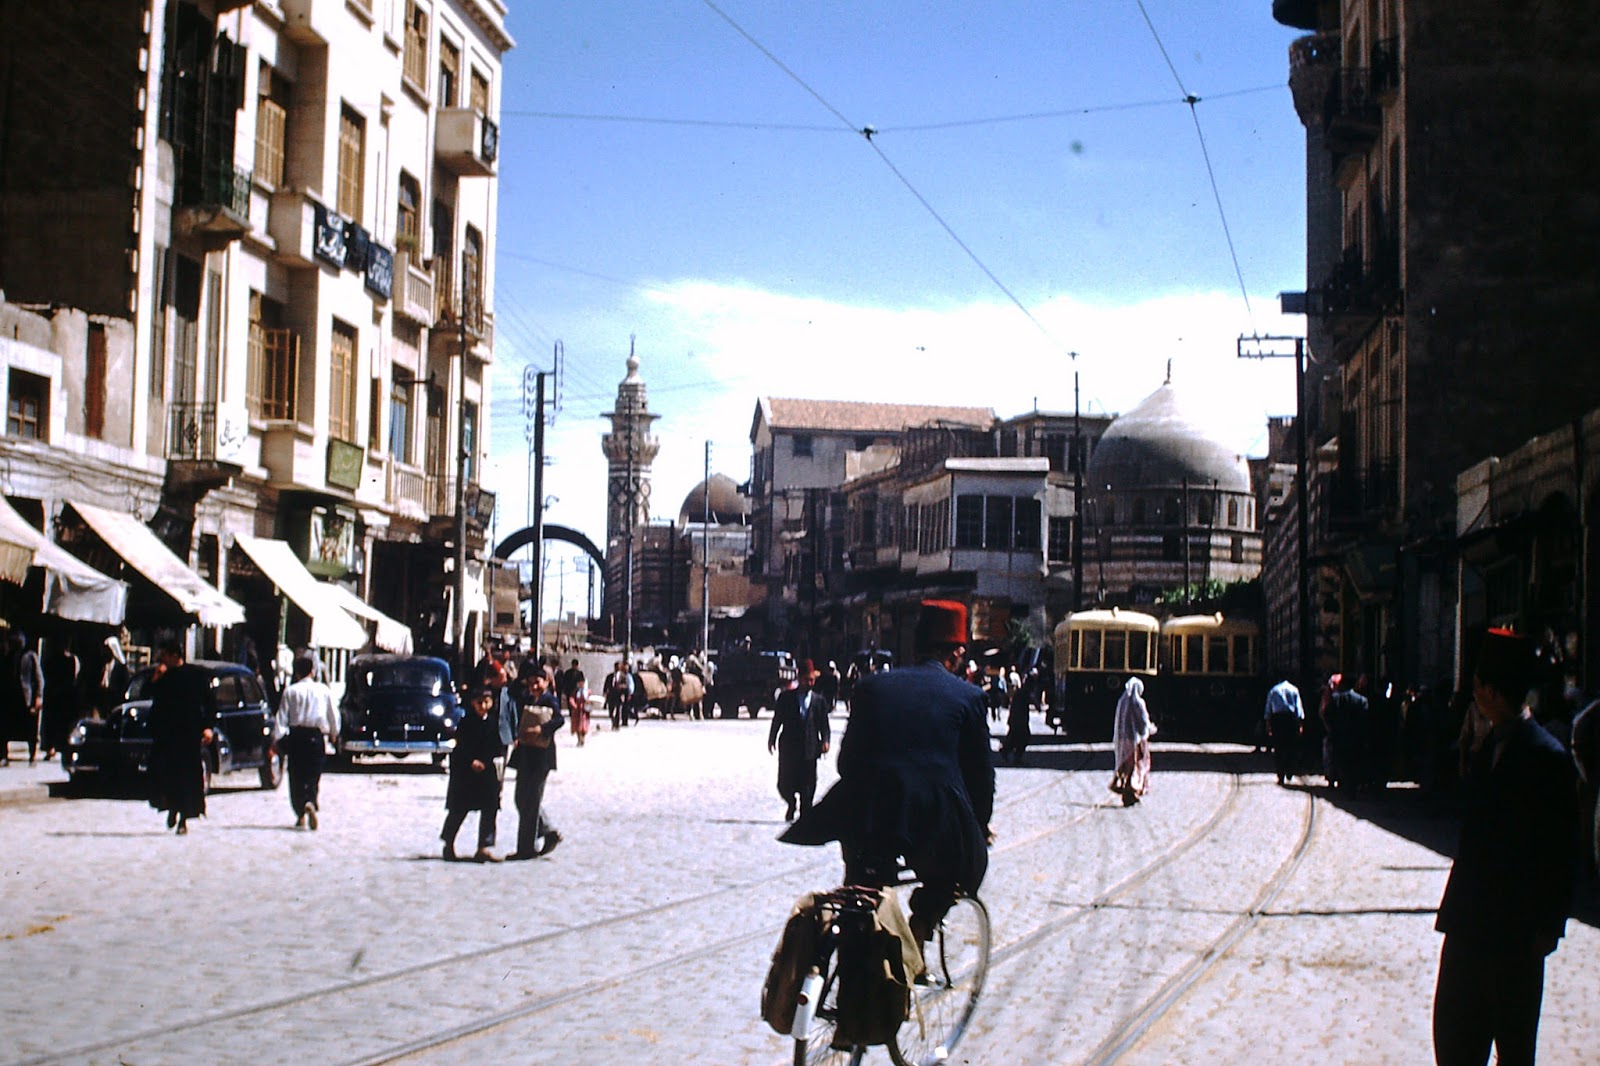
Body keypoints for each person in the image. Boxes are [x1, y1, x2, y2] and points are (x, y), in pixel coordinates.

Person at [783, 599, 994, 948]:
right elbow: (981, 779)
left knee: (863, 885)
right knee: (966, 870)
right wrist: (979, 825)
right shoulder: (968, 697)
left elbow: (845, 763)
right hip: (933, 815)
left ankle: (854, 942)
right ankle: (920, 927)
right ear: (957, 653)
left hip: (866, 810)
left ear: (915, 645)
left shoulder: (871, 687)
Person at [1433, 628, 1578, 1066]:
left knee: (1513, 1052)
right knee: (1456, 1044)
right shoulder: (1488, 746)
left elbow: (1561, 850)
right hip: (1467, 929)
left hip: (1513, 939)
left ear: (1495, 690)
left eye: (1479, 685)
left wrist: (1548, 929)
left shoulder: (1547, 758)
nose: (1474, 693)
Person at [145, 642, 213, 835]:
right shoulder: (163, 677)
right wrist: (156, 678)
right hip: (166, 734)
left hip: (188, 733)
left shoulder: (196, 675)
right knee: (166, 774)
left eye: (165, 655)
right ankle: (171, 808)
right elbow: (148, 697)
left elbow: (209, 702)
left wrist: (208, 727)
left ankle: (184, 816)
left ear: (175, 655)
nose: (162, 659)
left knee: (186, 776)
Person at [440, 686, 507, 862]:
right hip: (466, 774)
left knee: (490, 808)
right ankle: (448, 844)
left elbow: (497, 747)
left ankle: (484, 847)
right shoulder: (465, 722)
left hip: (487, 773)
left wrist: (489, 762)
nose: (483, 706)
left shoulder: (494, 723)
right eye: (479, 702)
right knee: (458, 810)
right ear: (473, 703)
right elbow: (460, 747)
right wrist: (471, 761)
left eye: (487, 702)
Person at [508, 664, 564, 860]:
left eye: (537, 682)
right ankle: (547, 831)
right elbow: (511, 693)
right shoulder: (525, 698)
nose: (534, 686)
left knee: (531, 800)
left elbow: (559, 720)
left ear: (546, 682)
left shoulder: (550, 700)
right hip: (524, 754)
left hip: (541, 757)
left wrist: (541, 730)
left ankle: (526, 848)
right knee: (521, 798)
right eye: (530, 683)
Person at [276, 654, 339, 830]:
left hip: (296, 737)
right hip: (315, 737)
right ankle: (310, 800)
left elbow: (281, 717)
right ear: (312, 671)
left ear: (296, 673)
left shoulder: (291, 691)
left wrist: (278, 739)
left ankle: (300, 811)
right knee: (313, 775)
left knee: (296, 776)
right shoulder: (323, 690)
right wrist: (334, 733)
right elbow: (333, 715)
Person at [767, 659, 832, 821]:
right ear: (799, 678)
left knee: (809, 784)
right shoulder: (785, 698)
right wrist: (772, 738)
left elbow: (824, 724)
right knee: (784, 784)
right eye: (807, 679)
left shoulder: (819, 701)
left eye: (813, 680)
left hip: (810, 748)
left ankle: (805, 814)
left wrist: (825, 740)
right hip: (789, 748)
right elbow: (777, 720)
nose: (811, 683)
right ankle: (791, 802)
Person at [1110, 676, 1155, 806]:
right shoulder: (1138, 703)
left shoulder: (1122, 702)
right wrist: (1147, 731)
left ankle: (1127, 792)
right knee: (1137, 767)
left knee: (1127, 767)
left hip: (1123, 740)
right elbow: (1143, 722)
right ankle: (1132, 792)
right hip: (1135, 741)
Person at [39, 640, 79, 760]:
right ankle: (52, 747)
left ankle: (55, 746)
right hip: (59, 696)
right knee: (55, 723)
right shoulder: (55, 661)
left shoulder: (67, 660)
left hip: (60, 696)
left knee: (58, 724)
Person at [1264, 678, 1305, 786]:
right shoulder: (1294, 690)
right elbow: (1298, 708)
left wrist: (1268, 725)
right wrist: (1300, 724)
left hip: (1278, 720)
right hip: (1291, 719)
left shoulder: (1273, 690)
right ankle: (1290, 770)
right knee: (1291, 747)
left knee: (1278, 748)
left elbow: (1268, 708)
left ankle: (1280, 774)